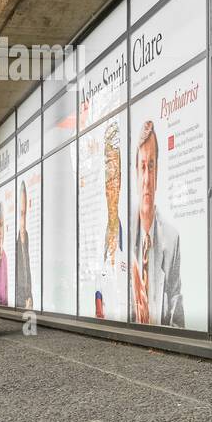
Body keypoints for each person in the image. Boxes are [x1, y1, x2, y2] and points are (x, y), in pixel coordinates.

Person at [130, 119, 183, 327]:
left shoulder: (171, 239)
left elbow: (178, 320)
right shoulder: (123, 236)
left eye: (151, 166)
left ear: (157, 172)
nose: (146, 179)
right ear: (136, 173)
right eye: (142, 167)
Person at [94, 119, 126, 321]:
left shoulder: (132, 231)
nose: (111, 180)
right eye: (107, 169)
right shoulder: (103, 231)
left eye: (115, 170)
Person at [14, 182, 33, 310]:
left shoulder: (27, 237)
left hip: (27, 298)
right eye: (21, 214)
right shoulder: (15, 243)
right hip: (19, 298)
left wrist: (29, 296)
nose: (23, 220)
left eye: (25, 214)